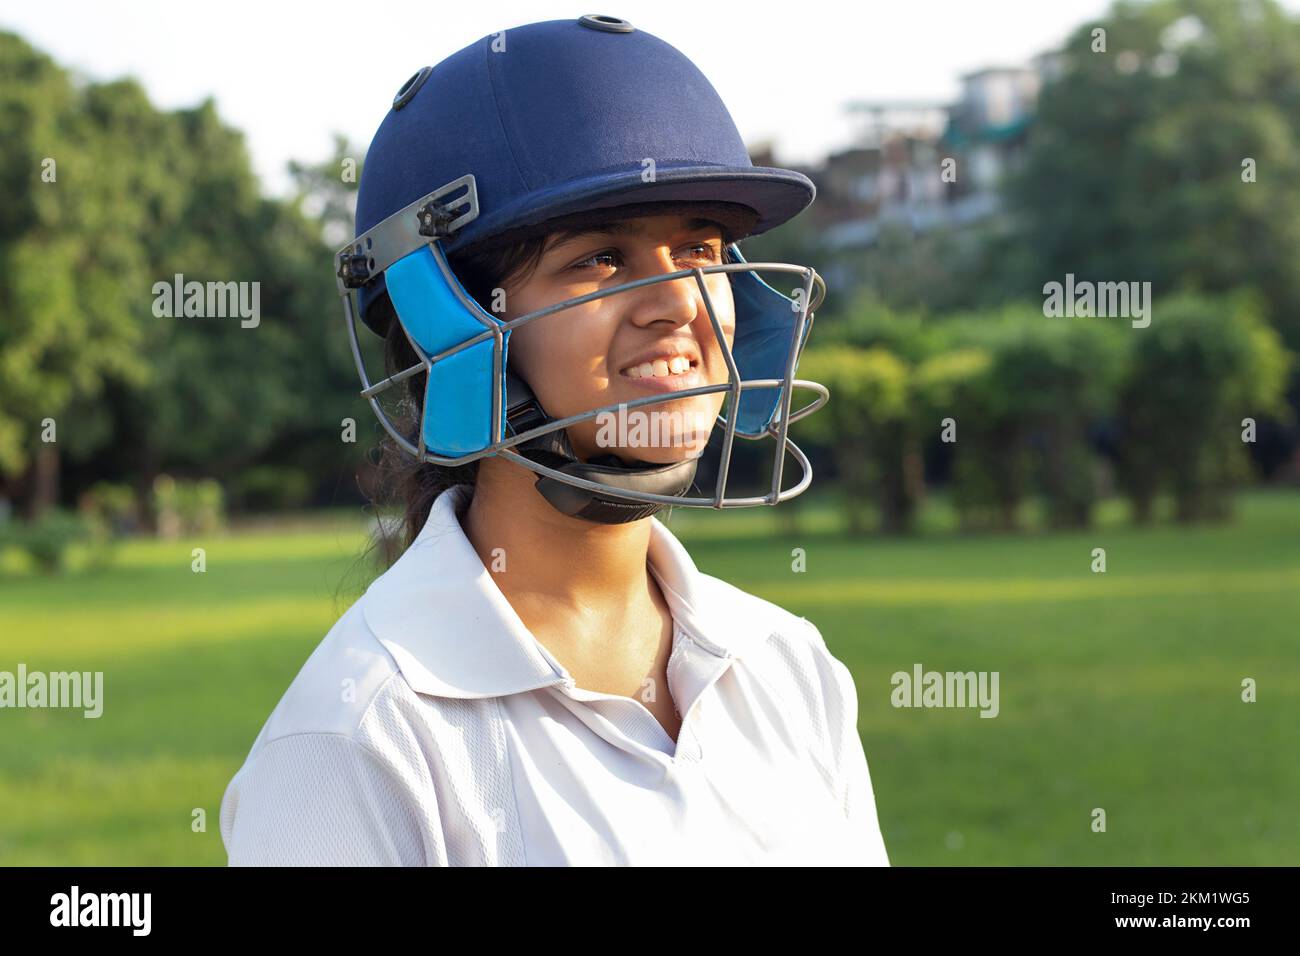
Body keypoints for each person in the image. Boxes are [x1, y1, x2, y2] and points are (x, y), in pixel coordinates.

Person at [219, 15, 889, 866]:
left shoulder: (788, 665)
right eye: (599, 260)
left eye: (701, 249)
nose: (679, 303)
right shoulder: (356, 740)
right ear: (446, 327)